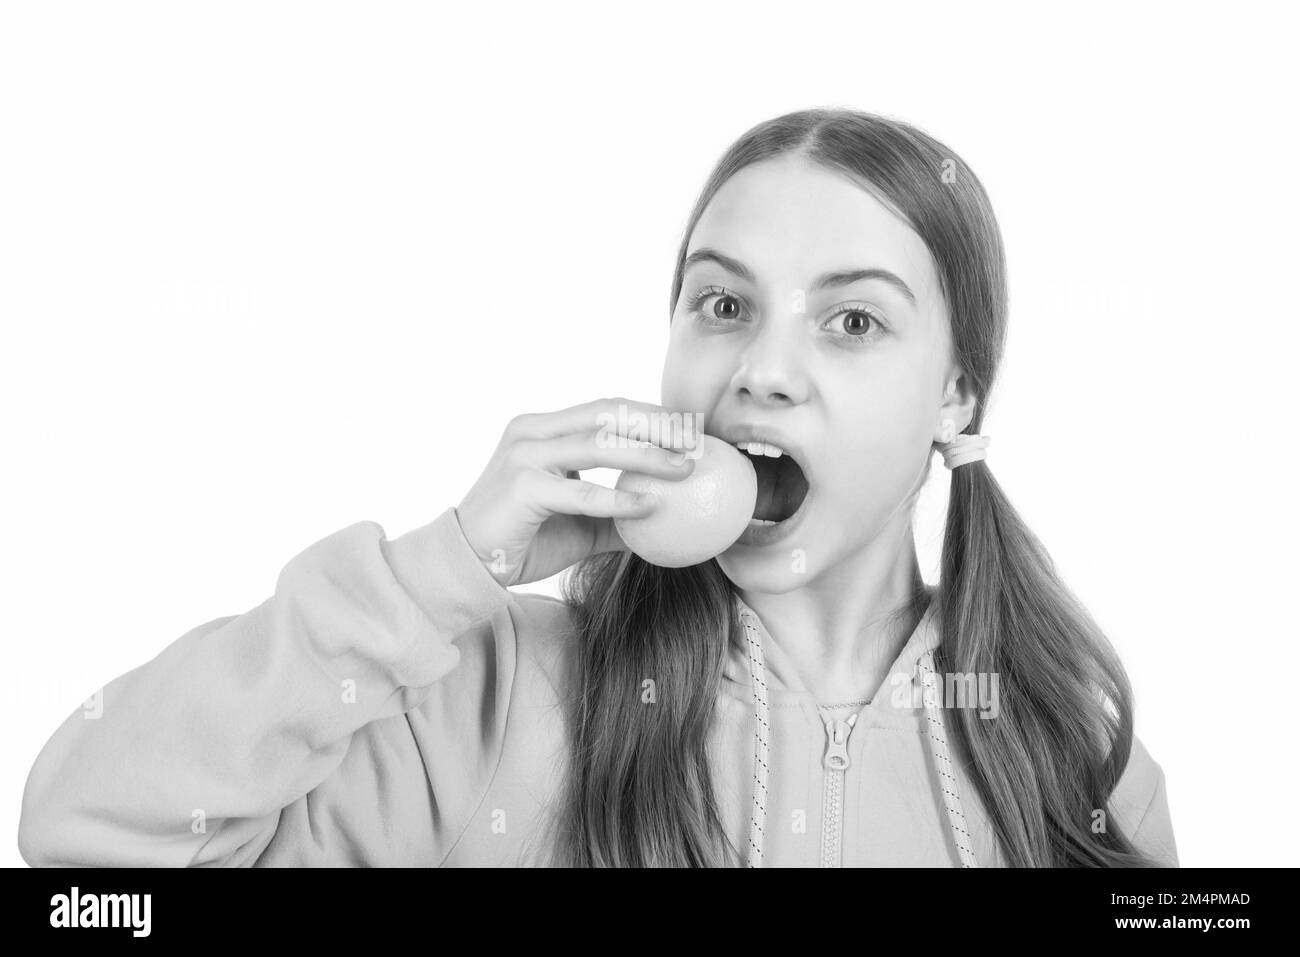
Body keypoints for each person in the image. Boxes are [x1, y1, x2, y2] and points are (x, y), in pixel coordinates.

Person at [17, 108, 1177, 868]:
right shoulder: (493, 694)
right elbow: (90, 847)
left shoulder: (1064, 734)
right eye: (722, 306)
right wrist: (440, 576)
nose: (761, 373)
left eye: (852, 321)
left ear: (956, 397)